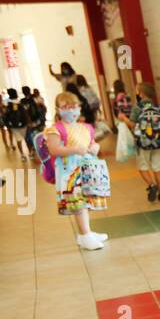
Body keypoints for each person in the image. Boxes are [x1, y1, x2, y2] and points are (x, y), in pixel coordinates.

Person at [42, 92, 111, 251]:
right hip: (69, 173)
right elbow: (54, 149)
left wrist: (95, 147)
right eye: (66, 107)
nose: (71, 110)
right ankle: (86, 235)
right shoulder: (55, 129)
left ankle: (86, 233)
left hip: (88, 169)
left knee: (86, 201)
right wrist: (74, 149)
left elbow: (92, 142)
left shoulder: (86, 127)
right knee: (78, 203)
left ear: (79, 107)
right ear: (58, 109)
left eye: (74, 107)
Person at [118, 81, 160, 202]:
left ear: (141, 94)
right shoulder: (158, 107)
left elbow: (133, 124)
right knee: (158, 168)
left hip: (143, 143)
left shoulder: (138, 107)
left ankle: (151, 185)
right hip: (159, 142)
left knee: (143, 167)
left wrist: (123, 118)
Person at [3, 87, 30, 160]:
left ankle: (22, 154)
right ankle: (30, 153)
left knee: (18, 140)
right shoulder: (19, 102)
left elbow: (6, 116)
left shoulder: (8, 104)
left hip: (14, 125)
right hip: (23, 124)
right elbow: (25, 114)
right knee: (26, 139)